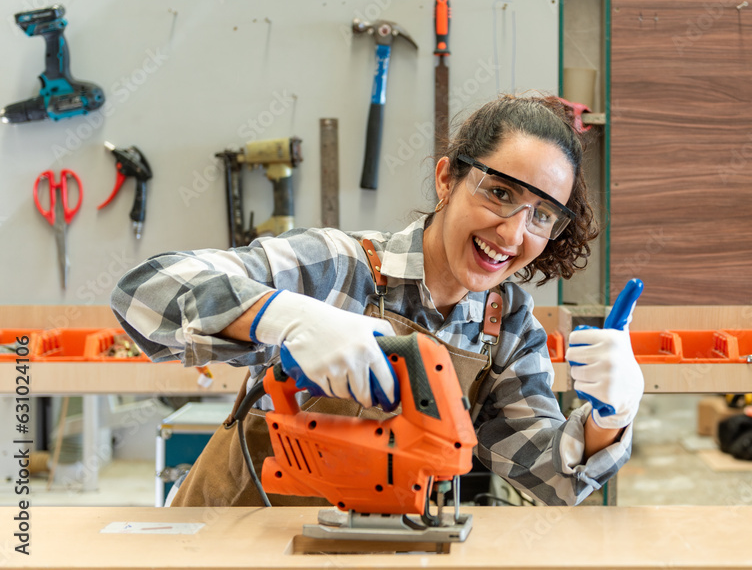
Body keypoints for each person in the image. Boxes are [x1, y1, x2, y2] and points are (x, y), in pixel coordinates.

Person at [111, 94, 644, 507]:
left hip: (378, 547)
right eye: (499, 193)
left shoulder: (504, 326)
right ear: (446, 180)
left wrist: (610, 416)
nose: (512, 233)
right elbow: (144, 291)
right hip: (237, 541)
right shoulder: (337, 266)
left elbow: (549, 476)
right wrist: (285, 316)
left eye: (542, 215)